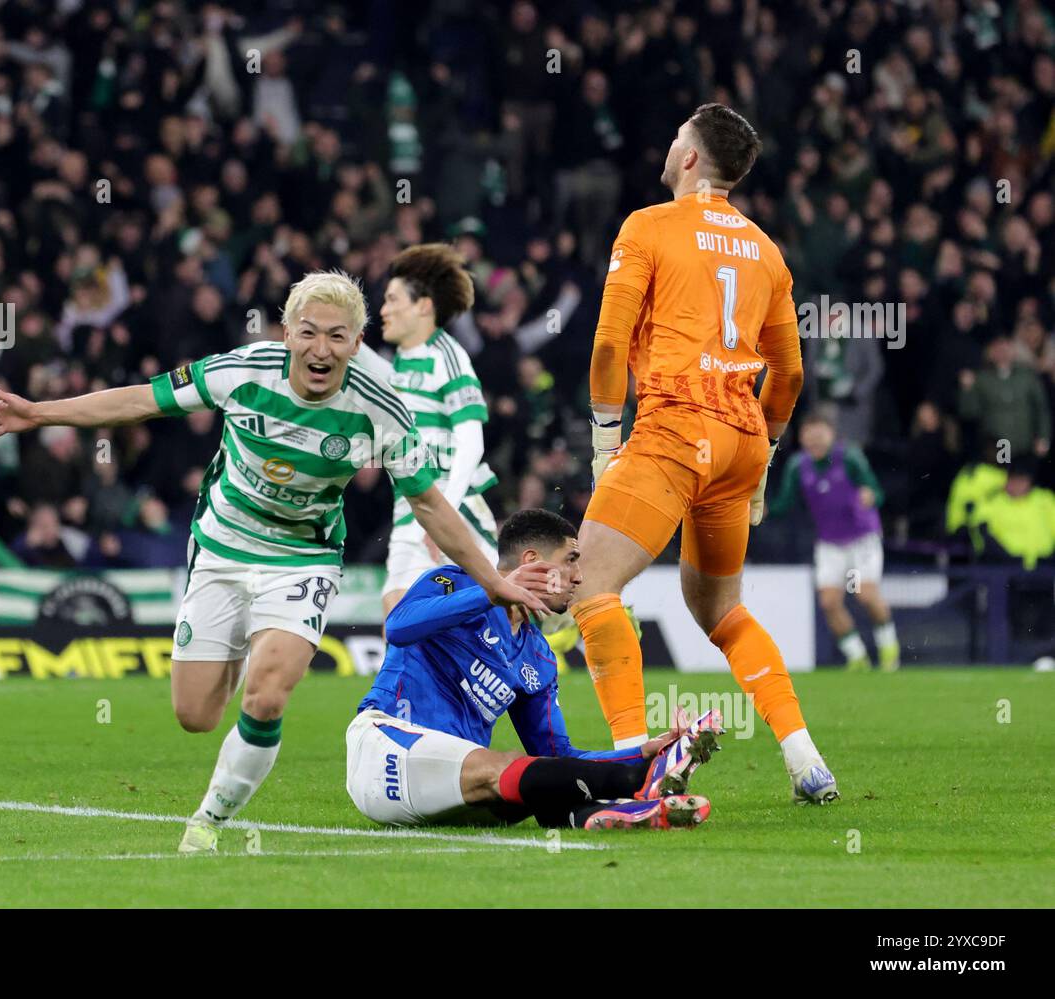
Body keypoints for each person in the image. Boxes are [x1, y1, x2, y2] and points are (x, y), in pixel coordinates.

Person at [0, 270, 547, 852]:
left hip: (303, 558)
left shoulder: (381, 410)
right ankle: (243, 649)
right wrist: (41, 414)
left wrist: (492, 580)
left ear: (357, 342)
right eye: (309, 333)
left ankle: (208, 821)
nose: (322, 349)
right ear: (288, 333)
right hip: (221, 548)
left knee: (268, 694)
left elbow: (429, 504)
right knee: (195, 715)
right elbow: (141, 400)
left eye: (339, 337)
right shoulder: (241, 370)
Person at [569, 103, 839, 805]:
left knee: (590, 586)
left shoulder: (649, 225)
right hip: (743, 438)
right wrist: (767, 457)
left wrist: (604, 444)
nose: (667, 148)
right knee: (721, 612)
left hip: (674, 426)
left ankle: (634, 763)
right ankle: (806, 759)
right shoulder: (767, 250)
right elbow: (793, 376)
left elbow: (605, 344)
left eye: (674, 137)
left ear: (690, 158)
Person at [347, 509, 722, 831]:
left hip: (453, 788)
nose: (578, 577)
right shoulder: (454, 582)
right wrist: (492, 591)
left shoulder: (537, 657)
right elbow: (398, 627)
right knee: (510, 764)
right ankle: (635, 783)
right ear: (532, 561)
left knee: (541, 778)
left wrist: (644, 750)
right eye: (571, 559)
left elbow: (558, 755)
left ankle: (606, 812)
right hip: (387, 753)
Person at [354, 243, 500, 618]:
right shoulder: (405, 360)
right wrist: (345, 340)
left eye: (390, 300)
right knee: (399, 621)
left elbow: (472, 442)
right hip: (412, 511)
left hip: (454, 508)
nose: (382, 311)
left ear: (423, 306)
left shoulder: (447, 356)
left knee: (485, 620)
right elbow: (394, 383)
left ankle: (550, 630)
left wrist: (444, 517)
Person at [769, 411, 900, 671]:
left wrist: (869, 496)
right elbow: (784, 503)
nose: (815, 441)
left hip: (862, 538)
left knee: (865, 594)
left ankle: (889, 648)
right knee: (829, 602)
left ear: (831, 435)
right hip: (829, 543)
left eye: (820, 435)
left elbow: (876, 491)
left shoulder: (849, 458)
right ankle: (857, 657)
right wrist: (761, 511)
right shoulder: (798, 466)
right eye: (809, 436)